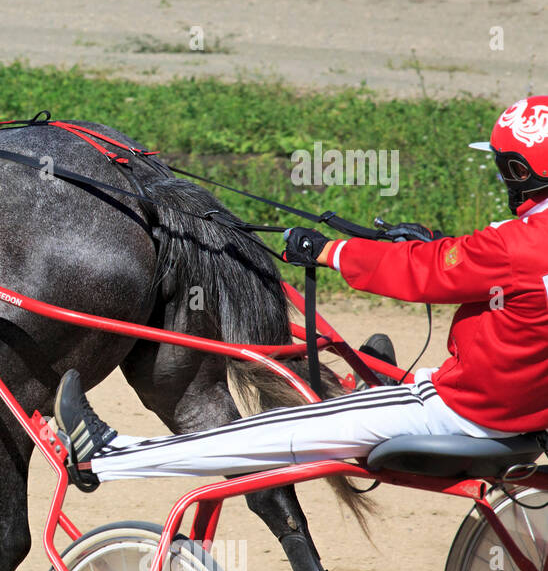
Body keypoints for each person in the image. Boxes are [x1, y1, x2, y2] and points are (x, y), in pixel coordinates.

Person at [55, 97, 548, 489]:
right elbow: (469, 264)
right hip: (522, 414)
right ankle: (371, 392)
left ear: (520, 173)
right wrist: (439, 245)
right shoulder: (521, 245)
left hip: (457, 413)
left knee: (278, 430)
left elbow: (424, 272)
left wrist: (327, 251)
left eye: (502, 168)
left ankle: (107, 458)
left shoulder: (514, 247)